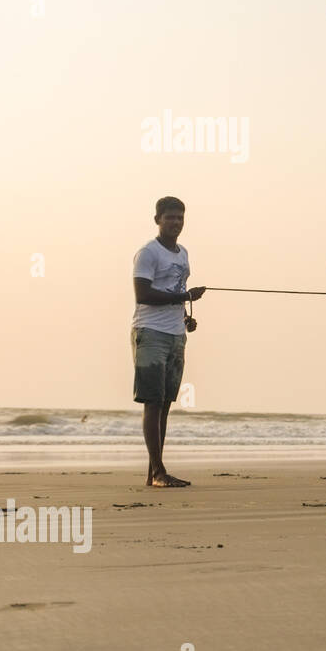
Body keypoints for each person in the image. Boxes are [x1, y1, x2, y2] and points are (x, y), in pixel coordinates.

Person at [131, 196, 205, 487]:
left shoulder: (183, 253)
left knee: (165, 403)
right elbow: (143, 295)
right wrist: (184, 298)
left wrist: (186, 316)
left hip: (176, 334)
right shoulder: (148, 253)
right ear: (157, 220)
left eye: (180, 217)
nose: (176, 222)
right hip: (150, 332)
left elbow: (177, 288)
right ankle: (159, 471)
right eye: (170, 217)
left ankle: (154, 473)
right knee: (152, 401)